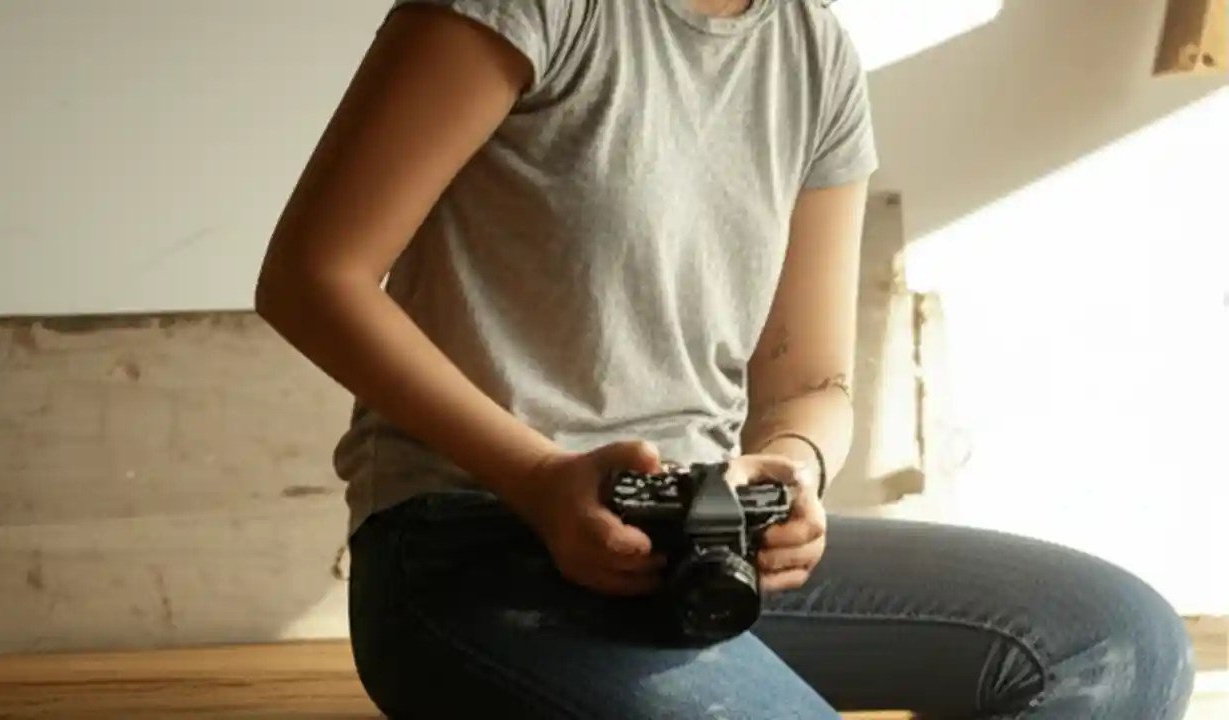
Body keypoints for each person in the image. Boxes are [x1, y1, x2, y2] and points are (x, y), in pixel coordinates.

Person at [254, 1, 1196, 717]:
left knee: (1119, 641)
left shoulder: (812, 49)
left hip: (710, 545)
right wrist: (539, 476)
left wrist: (791, 470)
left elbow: (809, 384)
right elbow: (312, 275)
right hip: (473, 544)